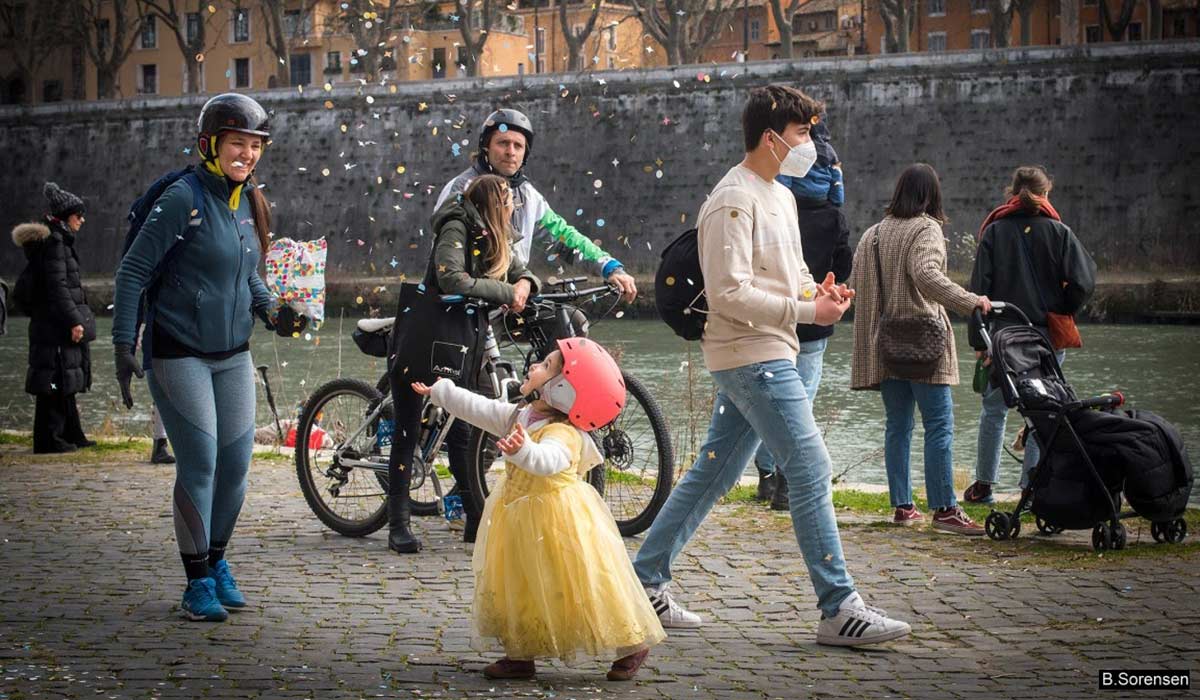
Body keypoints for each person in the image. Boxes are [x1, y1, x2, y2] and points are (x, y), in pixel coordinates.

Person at [631, 85, 911, 647]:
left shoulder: (778, 194)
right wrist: (805, 307)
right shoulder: (731, 200)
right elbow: (729, 293)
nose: (810, 144)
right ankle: (839, 608)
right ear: (771, 138)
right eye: (803, 133)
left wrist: (820, 293)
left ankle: (643, 581)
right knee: (809, 468)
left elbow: (790, 272)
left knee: (716, 471)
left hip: (767, 350)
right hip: (751, 356)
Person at [112, 93, 295, 622]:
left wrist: (273, 311)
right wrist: (125, 344)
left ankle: (216, 562)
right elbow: (131, 272)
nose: (248, 153)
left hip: (232, 353)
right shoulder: (183, 197)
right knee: (201, 463)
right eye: (237, 143)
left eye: (255, 145)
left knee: (237, 465)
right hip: (178, 353)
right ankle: (195, 583)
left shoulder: (246, 202)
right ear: (210, 145)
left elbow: (245, 275)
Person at [411, 337, 665, 681]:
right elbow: (481, 409)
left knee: (584, 585)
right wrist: (443, 392)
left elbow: (547, 462)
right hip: (519, 518)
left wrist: (522, 451)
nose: (534, 366)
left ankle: (631, 642)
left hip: (560, 523)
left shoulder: (565, 433)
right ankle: (520, 652)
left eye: (545, 366)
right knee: (521, 584)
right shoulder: (522, 413)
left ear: (563, 390)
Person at [386, 174, 540, 554]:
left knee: (463, 430)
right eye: (509, 204)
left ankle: (475, 517)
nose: (513, 211)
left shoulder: (495, 233)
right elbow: (450, 277)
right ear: (494, 204)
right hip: (429, 336)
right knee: (407, 429)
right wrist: (507, 291)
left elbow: (520, 268)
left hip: (463, 339)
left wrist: (526, 285)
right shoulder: (456, 226)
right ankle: (398, 524)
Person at [850, 164, 991, 534]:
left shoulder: (873, 235)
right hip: (924, 344)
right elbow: (927, 275)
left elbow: (860, 290)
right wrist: (970, 301)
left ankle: (903, 505)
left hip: (887, 346)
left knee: (897, 426)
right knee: (939, 425)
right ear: (931, 195)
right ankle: (945, 508)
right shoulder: (926, 228)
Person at [963, 166, 1096, 504]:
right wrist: (1062, 306)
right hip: (1046, 338)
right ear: (1046, 193)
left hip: (1003, 337)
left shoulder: (993, 232)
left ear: (1012, 193)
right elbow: (1084, 282)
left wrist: (980, 342)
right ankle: (1032, 488)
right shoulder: (1060, 231)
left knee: (993, 411)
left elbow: (978, 292)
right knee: (1045, 411)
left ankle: (983, 486)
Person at [435, 108, 638, 302]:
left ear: (525, 153)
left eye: (518, 146)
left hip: (516, 297)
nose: (510, 152)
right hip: (470, 303)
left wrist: (609, 268)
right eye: (503, 143)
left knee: (573, 321)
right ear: (485, 146)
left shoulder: (529, 196)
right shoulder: (461, 189)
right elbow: (448, 259)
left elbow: (563, 238)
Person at [755, 114, 852, 509]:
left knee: (767, 399)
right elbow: (842, 264)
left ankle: (765, 473)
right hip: (814, 320)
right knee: (800, 403)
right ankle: (785, 481)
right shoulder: (834, 216)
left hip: (774, 315)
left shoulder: (775, 207)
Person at [12, 183, 97, 454]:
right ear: (65, 216)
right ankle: (49, 439)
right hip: (54, 326)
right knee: (53, 381)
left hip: (52, 323)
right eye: (78, 215)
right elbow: (58, 288)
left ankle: (71, 433)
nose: (82, 220)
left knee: (64, 379)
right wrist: (74, 321)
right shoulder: (55, 244)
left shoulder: (57, 242)